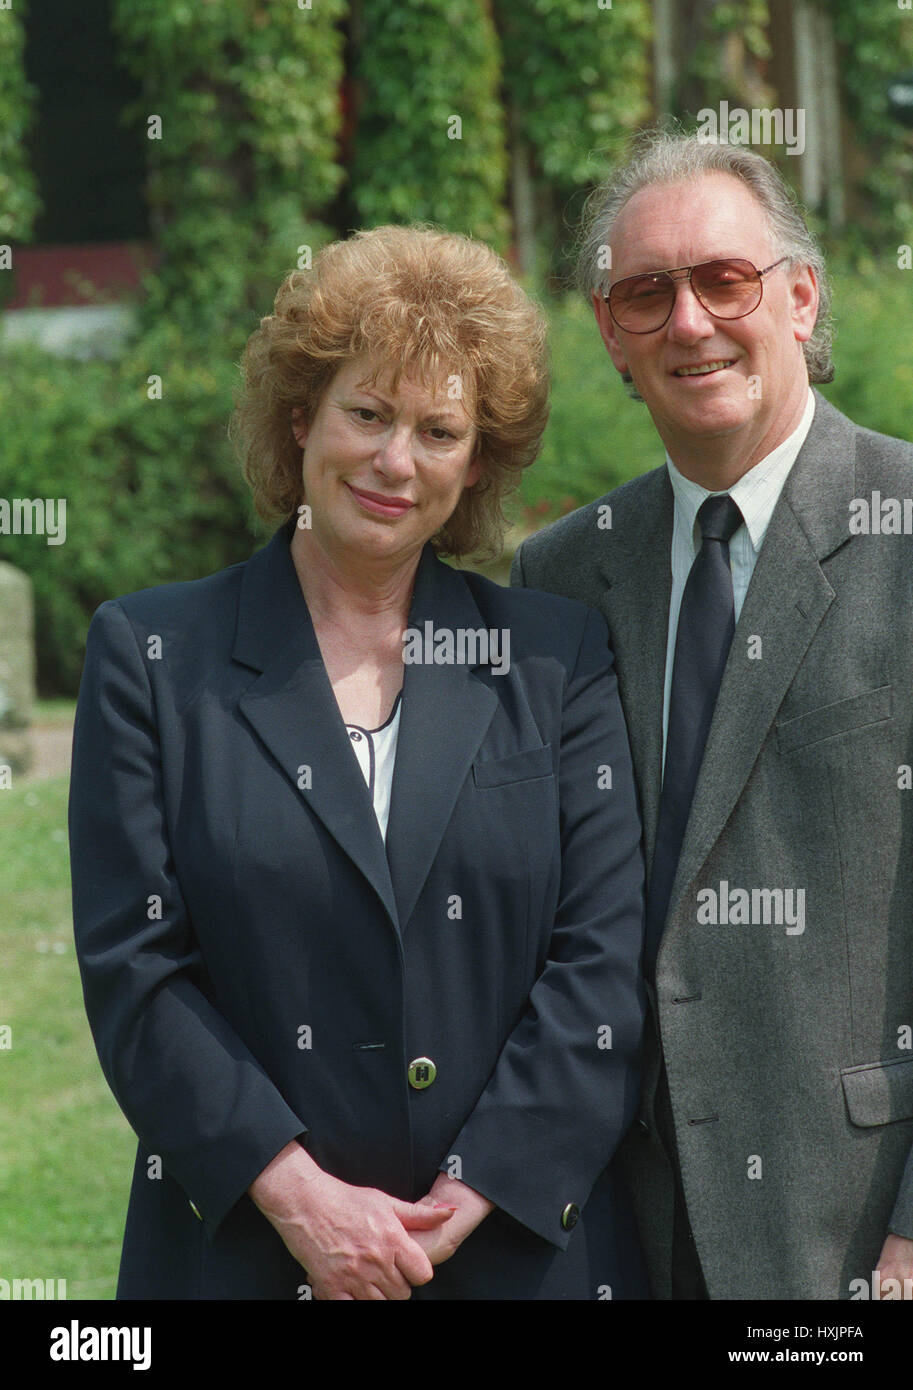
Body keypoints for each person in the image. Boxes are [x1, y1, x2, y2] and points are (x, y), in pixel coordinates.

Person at [68, 224, 648, 1300]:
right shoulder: (151, 659)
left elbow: (599, 965)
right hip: (249, 1258)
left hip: (513, 1259)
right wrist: (301, 1200)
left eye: (438, 430)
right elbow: (137, 975)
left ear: (474, 462)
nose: (394, 461)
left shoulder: (553, 659)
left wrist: (472, 1194)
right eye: (367, 414)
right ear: (301, 419)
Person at [512, 128, 913, 1301]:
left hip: (848, 1229)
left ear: (797, 298)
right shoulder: (560, 573)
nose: (687, 322)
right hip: (618, 1227)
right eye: (647, 293)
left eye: (722, 280)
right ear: (610, 334)